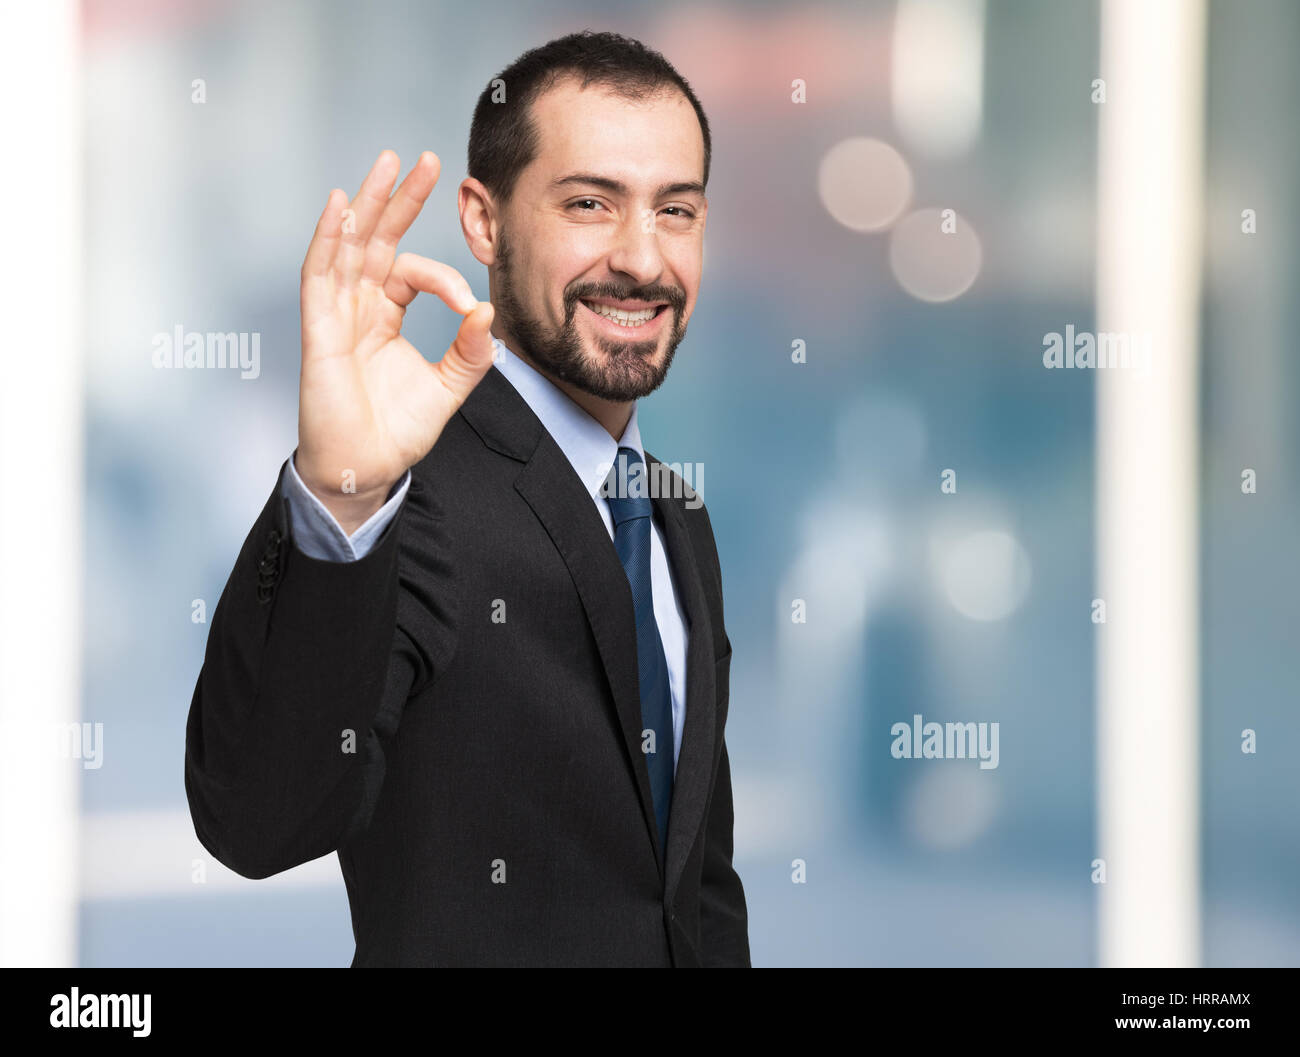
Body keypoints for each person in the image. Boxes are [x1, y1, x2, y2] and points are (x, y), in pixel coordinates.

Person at [184, 30, 750, 967]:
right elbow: (257, 819)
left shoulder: (675, 516)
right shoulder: (411, 497)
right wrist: (341, 491)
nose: (643, 259)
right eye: (588, 203)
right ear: (484, 225)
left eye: (675, 210)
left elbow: (696, 889)